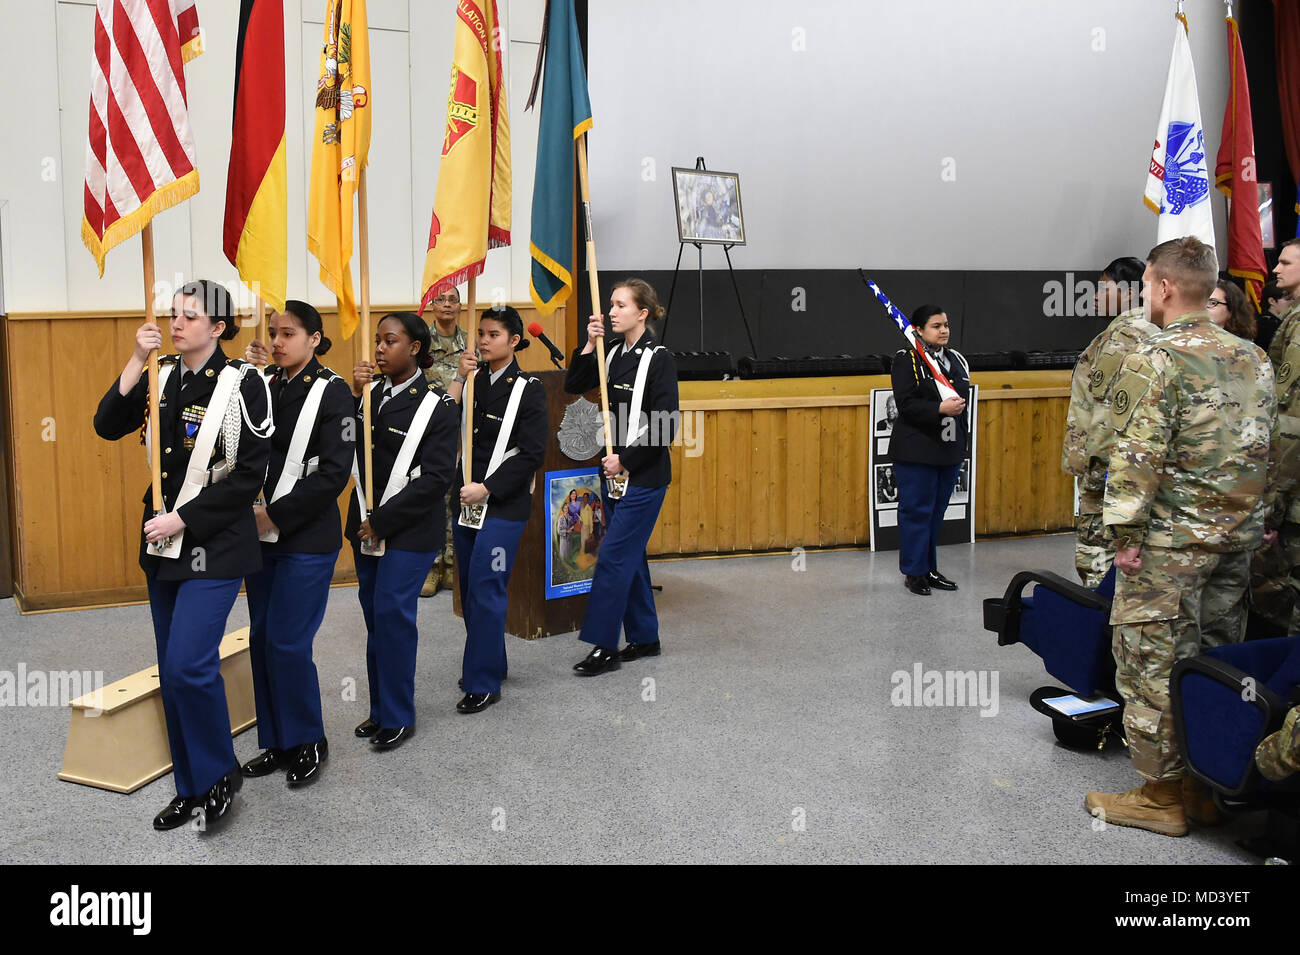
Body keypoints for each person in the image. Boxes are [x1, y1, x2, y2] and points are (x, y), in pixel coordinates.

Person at [1086, 236, 1274, 837]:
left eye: (1145, 285)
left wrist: (1125, 534)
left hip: (1168, 546)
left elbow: (1137, 456)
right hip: (1237, 541)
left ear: (1164, 287)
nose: (1145, 295)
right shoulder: (1255, 358)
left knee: (1151, 665)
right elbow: (1262, 449)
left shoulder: (1156, 357)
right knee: (1214, 662)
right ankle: (1206, 787)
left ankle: (1161, 797)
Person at [93, 279, 272, 831]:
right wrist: (135, 356)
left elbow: (249, 474)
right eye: (173, 314)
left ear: (218, 328)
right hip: (163, 546)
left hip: (213, 543)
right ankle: (191, 785)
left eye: (190, 317)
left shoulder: (245, 383)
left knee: (189, 664)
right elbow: (106, 425)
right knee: (173, 672)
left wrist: (186, 518)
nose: (177, 324)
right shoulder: (160, 374)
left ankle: (221, 774)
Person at [239, 301, 354, 786]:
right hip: (259, 536)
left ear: (314, 338)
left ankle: (309, 739)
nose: (279, 341)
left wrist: (275, 513)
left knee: (288, 641)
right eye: (273, 332)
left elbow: (334, 474)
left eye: (289, 333)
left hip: (306, 535)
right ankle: (277, 740)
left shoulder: (335, 392)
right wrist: (244, 376)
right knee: (262, 640)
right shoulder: (263, 386)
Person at [348, 312, 459, 749]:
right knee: (375, 619)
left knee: (394, 618)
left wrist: (383, 521)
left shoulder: (438, 406)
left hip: (408, 533)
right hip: (365, 528)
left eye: (389, 341)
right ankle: (378, 710)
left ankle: (398, 715)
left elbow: (435, 480)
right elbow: (344, 449)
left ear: (414, 348)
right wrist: (354, 395)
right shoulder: (368, 396)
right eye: (377, 340)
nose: (379, 348)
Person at [565, 278, 679, 674]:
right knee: (630, 558)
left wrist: (626, 460)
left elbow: (666, 427)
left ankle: (604, 646)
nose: (611, 312)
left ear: (642, 313)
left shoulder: (659, 358)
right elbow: (573, 384)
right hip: (615, 476)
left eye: (620, 305)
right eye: (610, 305)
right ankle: (645, 637)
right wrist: (589, 344)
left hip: (644, 477)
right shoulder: (611, 352)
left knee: (612, 557)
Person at [445, 305, 546, 713]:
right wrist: (457, 377)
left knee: (488, 586)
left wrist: (488, 488)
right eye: (481, 334)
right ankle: (493, 660)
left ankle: (482, 681)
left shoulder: (529, 388)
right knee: (470, 589)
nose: (483, 341)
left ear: (514, 341)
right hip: (466, 499)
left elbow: (532, 453)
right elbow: (441, 422)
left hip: (502, 502)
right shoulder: (472, 381)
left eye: (493, 335)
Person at [1062, 256, 1158, 587]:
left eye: (1104, 289)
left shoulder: (1122, 337)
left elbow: (1106, 412)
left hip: (1107, 473)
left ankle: (1099, 630)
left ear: (1127, 291)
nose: (1097, 297)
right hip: (1137, 470)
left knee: (1097, 562)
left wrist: (1096, 471)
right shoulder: (1154, 331)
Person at [888, 304, 971, 596]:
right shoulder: (906, 359)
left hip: (947, 450)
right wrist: (939, 408)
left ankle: (929, 568)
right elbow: (907, 404)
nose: (944, 330)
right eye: (936, 326)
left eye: (946, 324)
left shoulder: (956, 360)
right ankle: (914, 572)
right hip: (916, 451)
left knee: (936, 513)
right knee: (916, 512)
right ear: (919, 330)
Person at [1250, 238, 1300, 632]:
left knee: (1278, 594)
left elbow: (1290, 424)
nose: (1275, 269)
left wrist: (1273, 506)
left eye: (1285, 262)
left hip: (1294, 491)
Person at [421, 285, 468, 597]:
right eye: (442, 299)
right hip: (428, 432)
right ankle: (431, 565)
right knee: (430, 498)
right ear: (432, 306)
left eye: (453, 299)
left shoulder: (472, 344)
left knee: (456, 495)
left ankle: (452, 565)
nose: (448, 305)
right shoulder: (421, 345)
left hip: (463, 432)